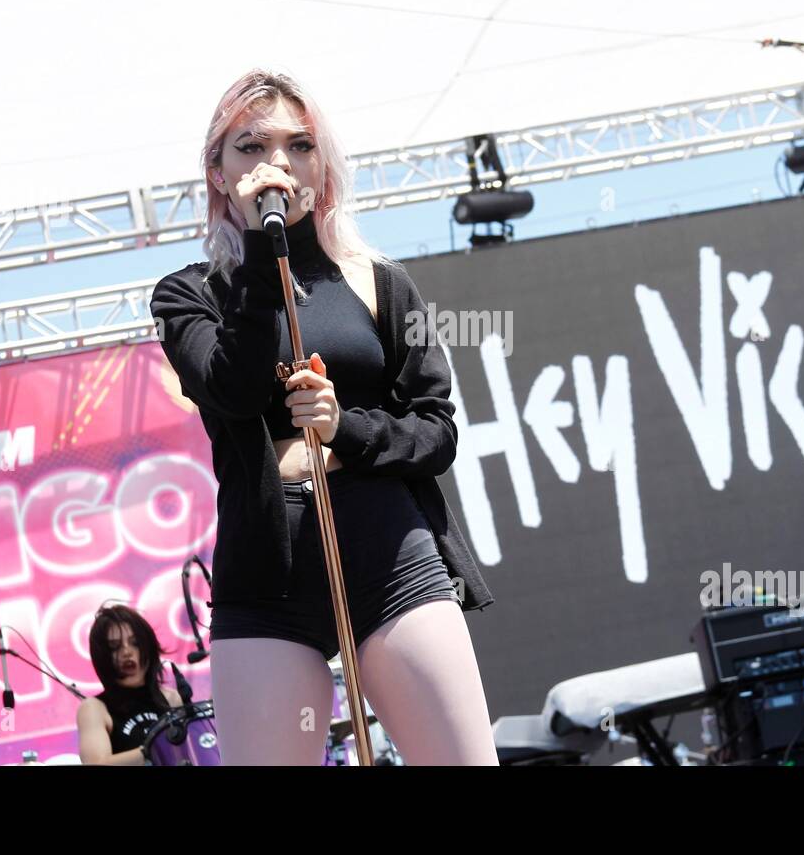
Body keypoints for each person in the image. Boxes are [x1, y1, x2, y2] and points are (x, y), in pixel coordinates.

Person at [150, 68, 498, 765]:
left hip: (389, 554)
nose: (275, 162)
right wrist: (257, 255)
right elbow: (234, 389)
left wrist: (346, 427)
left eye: (298, 144)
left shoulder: (378, 280)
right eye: (249, 146)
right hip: (266, 573)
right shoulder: (190, 295)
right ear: (218, 174)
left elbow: (437, 430)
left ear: (322, 166)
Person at [76, 604, 182, 765]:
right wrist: (156, 747)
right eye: (114, 647)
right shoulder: (94, 708)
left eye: (135, 643)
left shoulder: (171, 697)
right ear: (102, 655)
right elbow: (96, 763)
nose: (127, 651)